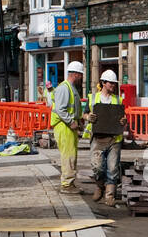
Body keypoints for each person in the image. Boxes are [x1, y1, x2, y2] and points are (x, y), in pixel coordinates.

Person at [83, 69, 124, 205]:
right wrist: (88, 117)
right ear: (103, 83)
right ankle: (100, 186)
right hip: (97, 138)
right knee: (98, 167)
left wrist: (124, 121)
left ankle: (110, 194)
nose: (113, 85)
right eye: (110, 83)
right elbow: (84, 114)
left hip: (114, 139)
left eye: (114, 83)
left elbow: (122, 117)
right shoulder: (93, 98)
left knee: (112, 167)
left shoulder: (118, 99)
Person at [50, 62, 85, 194]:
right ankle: (66, 184)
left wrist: (79, 120)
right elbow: (60, 109)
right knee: (68, 155)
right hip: (64, 126)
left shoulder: (70, 88)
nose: (81, 77)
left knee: (71, 155)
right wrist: (71, 122)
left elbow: (73, 108)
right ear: (75, 74)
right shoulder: (64, 88)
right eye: (80, 74)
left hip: (68, 126)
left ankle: (69, 182)